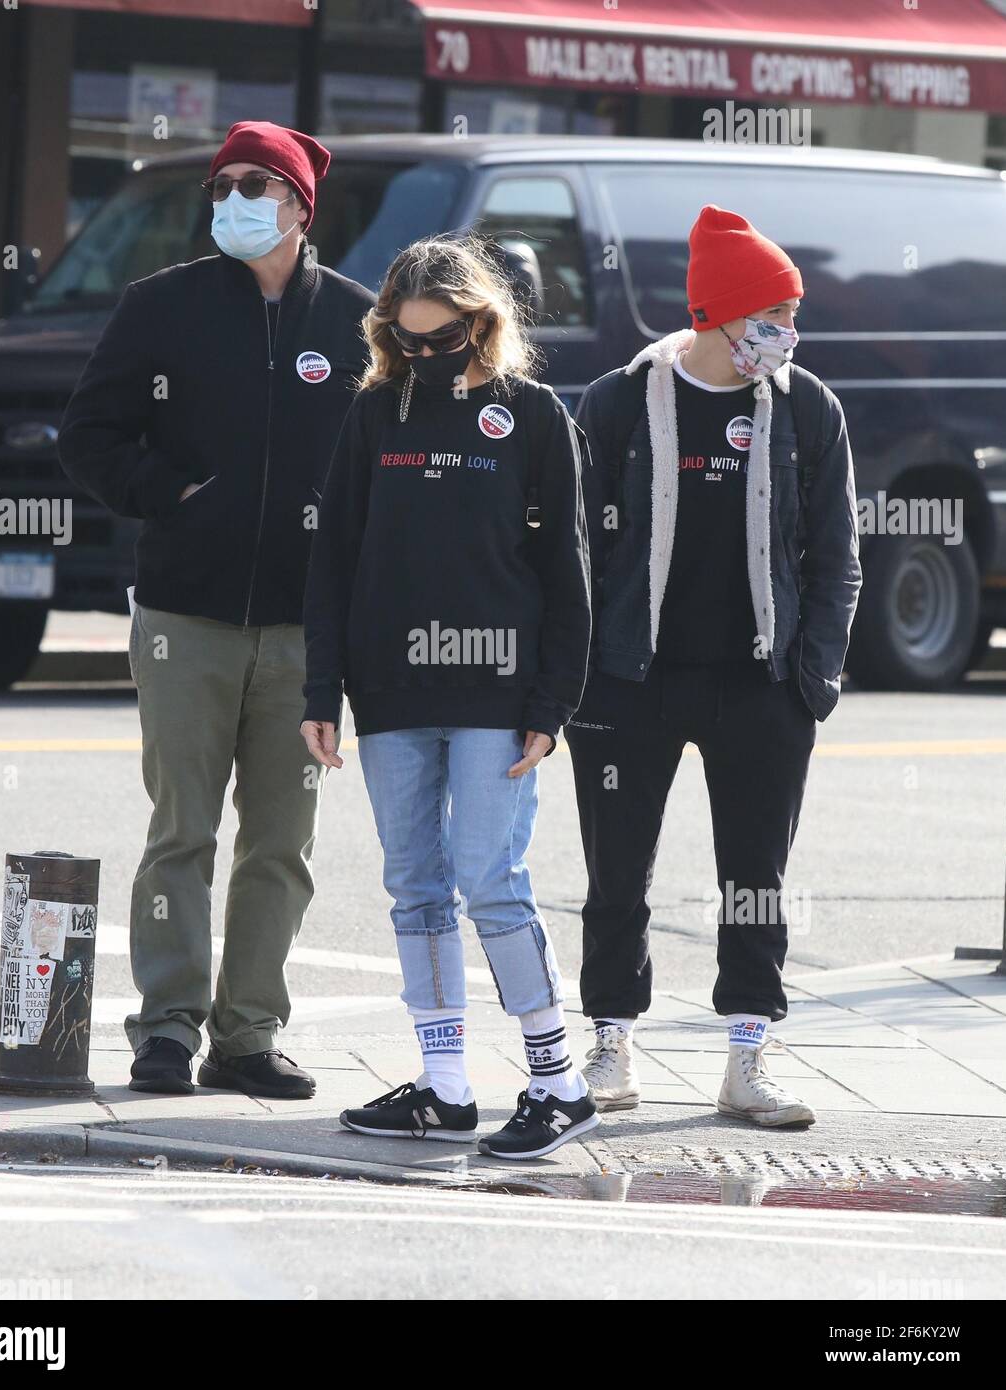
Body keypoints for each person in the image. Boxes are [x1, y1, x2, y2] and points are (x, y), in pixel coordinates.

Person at [59, 122, 375, 1097]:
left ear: (298, 206)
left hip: (305, 628)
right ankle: (165, 1028)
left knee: (281, 843)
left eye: (254, 184)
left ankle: (248, 1035)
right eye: (222, 184)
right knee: (181, 830)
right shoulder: (163, 307)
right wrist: (169, 494)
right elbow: (88, 435)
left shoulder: (358, 324)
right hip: (183, 614)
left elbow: (384, 470)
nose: (231, 199)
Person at [300, 237, 598, 1159]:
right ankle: (447, 1086)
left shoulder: (537, 415)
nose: (426, 355)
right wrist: (322, 688)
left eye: (445, 338)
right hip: (389, 689)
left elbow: (568, 570)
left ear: (484, 322)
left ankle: (558, 1080)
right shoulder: (374, 415)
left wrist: (552, 704)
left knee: (490, 881)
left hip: (499, 691)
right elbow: (333, 559)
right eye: (408, 338)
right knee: (414, 888)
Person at [569, 205, 861, 1127]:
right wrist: (574, 674)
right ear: (718, 316)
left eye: (791, 316)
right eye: (770, 316)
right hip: (630, 678)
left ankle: (747, 1056)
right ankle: (612, 1040)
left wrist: (811, 683)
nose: (785, 335)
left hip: (761, 684)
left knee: (754, 880)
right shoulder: (618, 402)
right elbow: (571, 550)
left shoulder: (807, 408)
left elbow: (837, 557)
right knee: (618, 875)